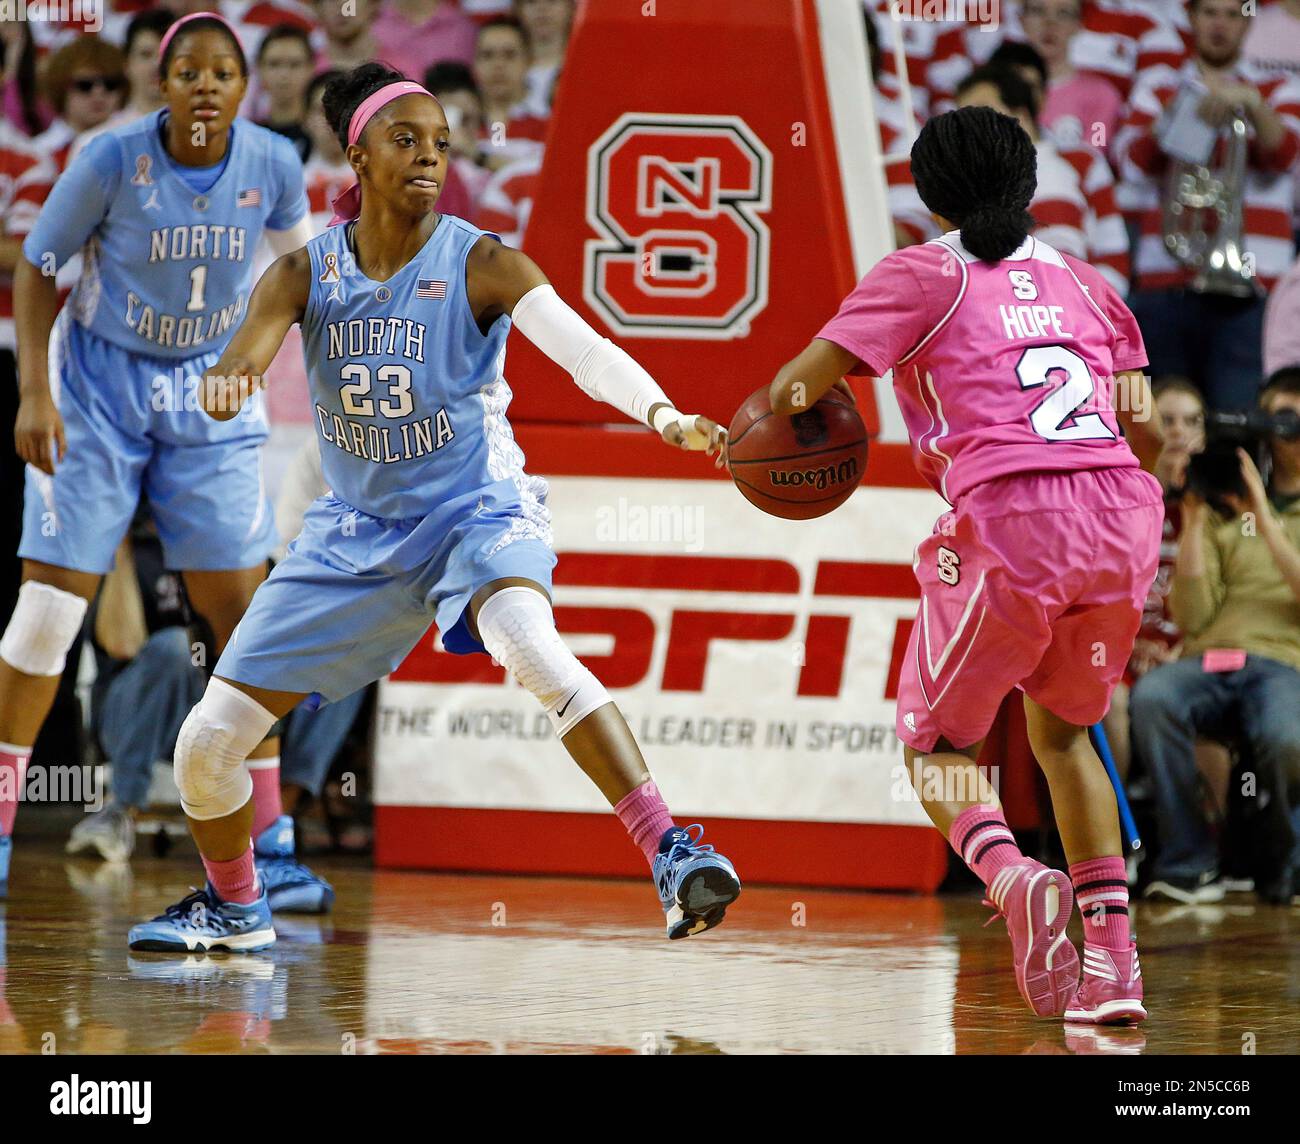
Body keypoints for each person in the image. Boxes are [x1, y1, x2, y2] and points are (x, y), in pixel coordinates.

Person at [126, 63, 742, 954]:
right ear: (358, 157)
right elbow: (240, 361)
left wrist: (664, 415)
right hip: (354, 532)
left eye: (442, 145)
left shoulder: (482, 260)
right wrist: (224, 386)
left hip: (476, 513)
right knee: (206, 744)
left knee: (532, 646)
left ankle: (671, 850)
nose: (428, 157)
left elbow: (585, 352)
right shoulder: (302, 274)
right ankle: (236, 907)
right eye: (406, 140)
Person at [765, 105, 1165, 1025]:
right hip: (1124, 514)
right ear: (1029, 184)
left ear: (928, 195)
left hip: (1015, 518)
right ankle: (1114, 970)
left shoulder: (921, 273)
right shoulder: (1091, 282)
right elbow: (1140, 419)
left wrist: (774, 424)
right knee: (1065, 734)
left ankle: (1011, 875)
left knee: (934, 747)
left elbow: (794, 389)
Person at [0, 12, 322, 904]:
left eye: (224, 73)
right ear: (164, 84)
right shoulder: (109, 159)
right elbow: (37, 267)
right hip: (98, 386)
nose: (207, 86)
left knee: (244, 619)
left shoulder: (273, 163)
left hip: (208, 386)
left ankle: (271, 846)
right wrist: (34, 393)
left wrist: (253, 363)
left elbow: (302, 283)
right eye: (190, 72)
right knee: (47, 613)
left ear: (243, 88)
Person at [1131, 369, 1300, 905]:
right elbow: (1193, 616)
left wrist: (1263, 514)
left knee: (1284, 735)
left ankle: (1286, 860)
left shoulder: (1256, 510)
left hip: (1283, 663)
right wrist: (1197, 518)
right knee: (1154, 698)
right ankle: (1190, 860)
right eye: (1279, 417)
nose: (1287, 431)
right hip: (1211, 659)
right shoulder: (1227, 509)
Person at [1115, 0, 1300, 411]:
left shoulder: (1278, 88)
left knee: (1236, 417)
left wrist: (1251, 104)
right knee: (1162, 417)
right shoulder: (1160, 88)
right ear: (1191, 18)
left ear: (1248, 22)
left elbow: (1287, 155)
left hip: (1250, 285)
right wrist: (1181, 112)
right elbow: (1131, 164)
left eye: (1232, 15)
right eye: (1210, 13)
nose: (1220, 25)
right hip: (1166, 282)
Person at [955, 64, 1130, 297]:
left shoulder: (1045, 172)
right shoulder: (1013, 175)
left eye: (979, 115)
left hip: (1070, 311)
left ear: (1019, 116)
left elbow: (1057, 277)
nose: (969, 131)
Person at [1016, 0, 1124, 153]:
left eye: (1064, 13)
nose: (1050, 22)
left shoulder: (1102, 95)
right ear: (1021, 19)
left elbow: (1094, 150)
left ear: (1079, 24)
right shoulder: (994, 86)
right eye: (1038, 10)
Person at [253, 23, 314, 161]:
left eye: (294, 64)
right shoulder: (247, 139)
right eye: (274, 64)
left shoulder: (325, 137)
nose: (284, 75)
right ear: (259, 68)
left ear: (311, 68)